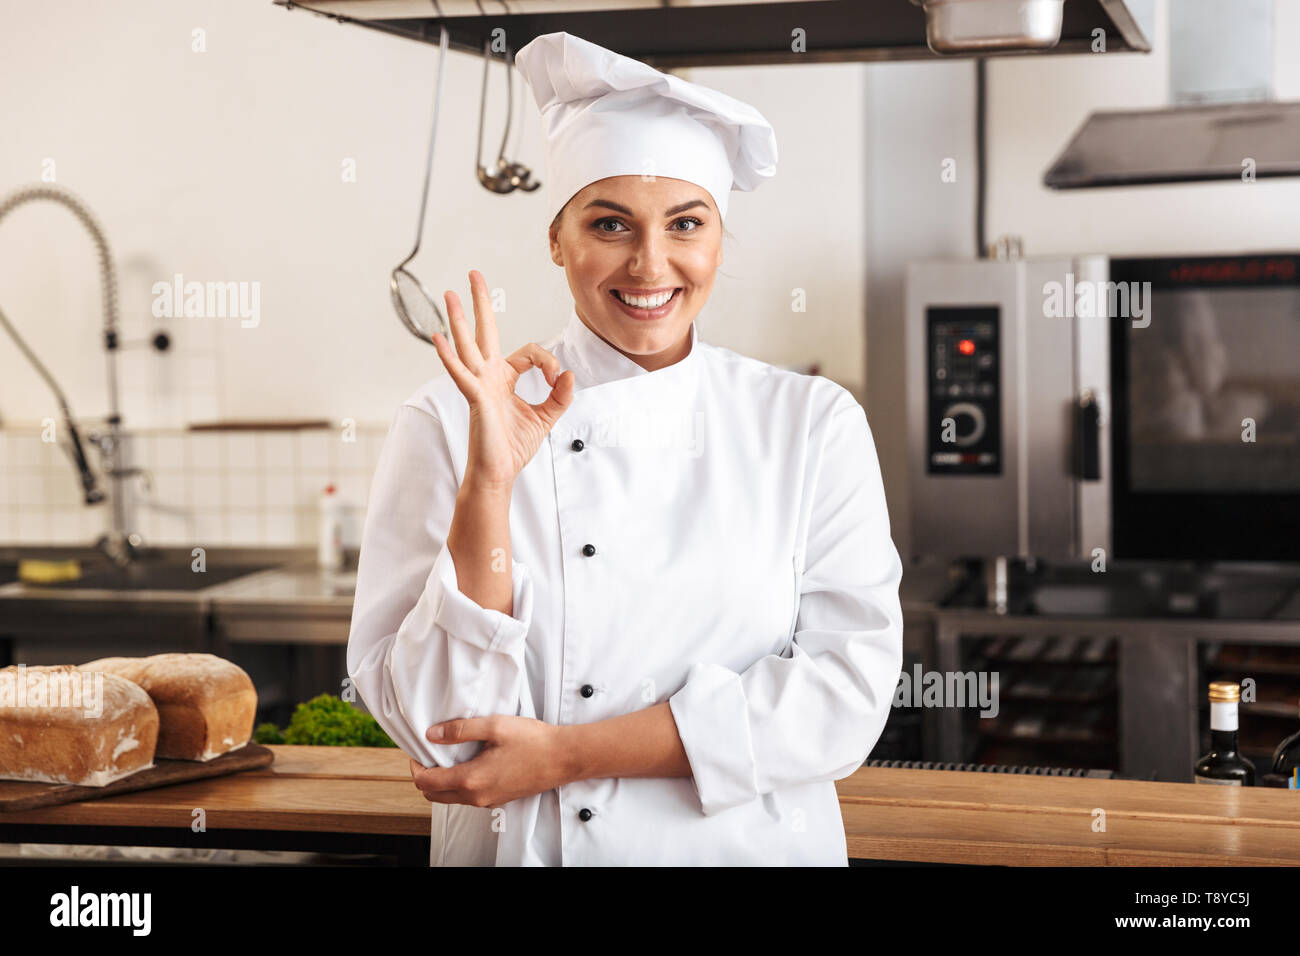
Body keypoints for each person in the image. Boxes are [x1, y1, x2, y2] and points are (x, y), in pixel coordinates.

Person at [346, 31, 903, 866]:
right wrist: (489, 486)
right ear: (556, 239)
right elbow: (442, 737)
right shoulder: (448, 420)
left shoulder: (810, 423)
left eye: (687, 224)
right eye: (610, 224)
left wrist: (570, 756)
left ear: (719, 240)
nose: (651, 264)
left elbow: (843, 700)